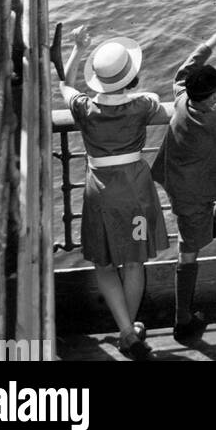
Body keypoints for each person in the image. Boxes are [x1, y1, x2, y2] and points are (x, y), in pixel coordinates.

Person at [59, 26, 169, 360]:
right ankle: (129, 332)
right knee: (134, 261)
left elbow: (64, 84)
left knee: (104, 263)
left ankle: (125, 331)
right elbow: (164, 107)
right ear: (131, 77)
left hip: (100, 194)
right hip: (136, 191)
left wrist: (77, 49)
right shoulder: (144, 104)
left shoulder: (83, 107)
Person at [150, 14, 216, 343]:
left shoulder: (182, 94)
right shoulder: (212, 118)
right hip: (191, 194)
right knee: (188, 251)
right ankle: (182, 321)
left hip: (184, 176)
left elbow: (189, 65)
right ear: (209, 98)